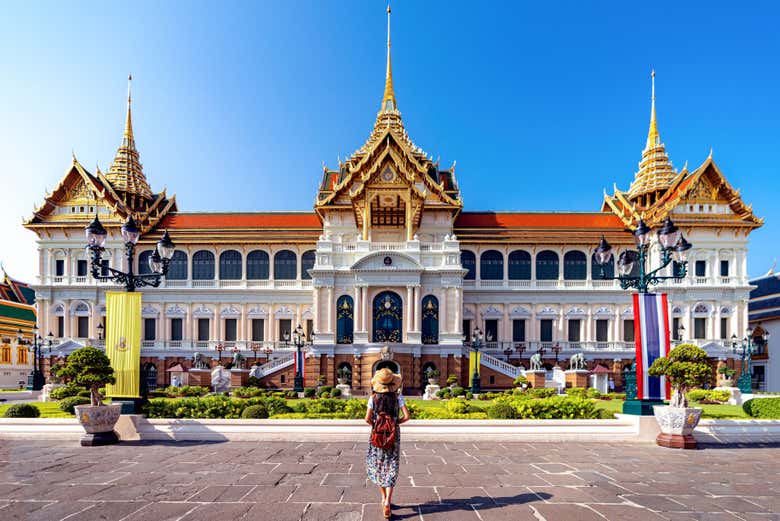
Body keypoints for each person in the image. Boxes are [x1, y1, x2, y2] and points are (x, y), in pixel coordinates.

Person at [365, 368, 410, 519]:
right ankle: (388, 503)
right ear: (393, 383)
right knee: (391, 466)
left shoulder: (373, 398)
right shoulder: (398, 397)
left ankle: (383, 498)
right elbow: (407, 416)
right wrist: (396, 424)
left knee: (379, 466)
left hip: (377, 434)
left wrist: (376, 425)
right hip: (393, 435)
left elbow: (367, 419)